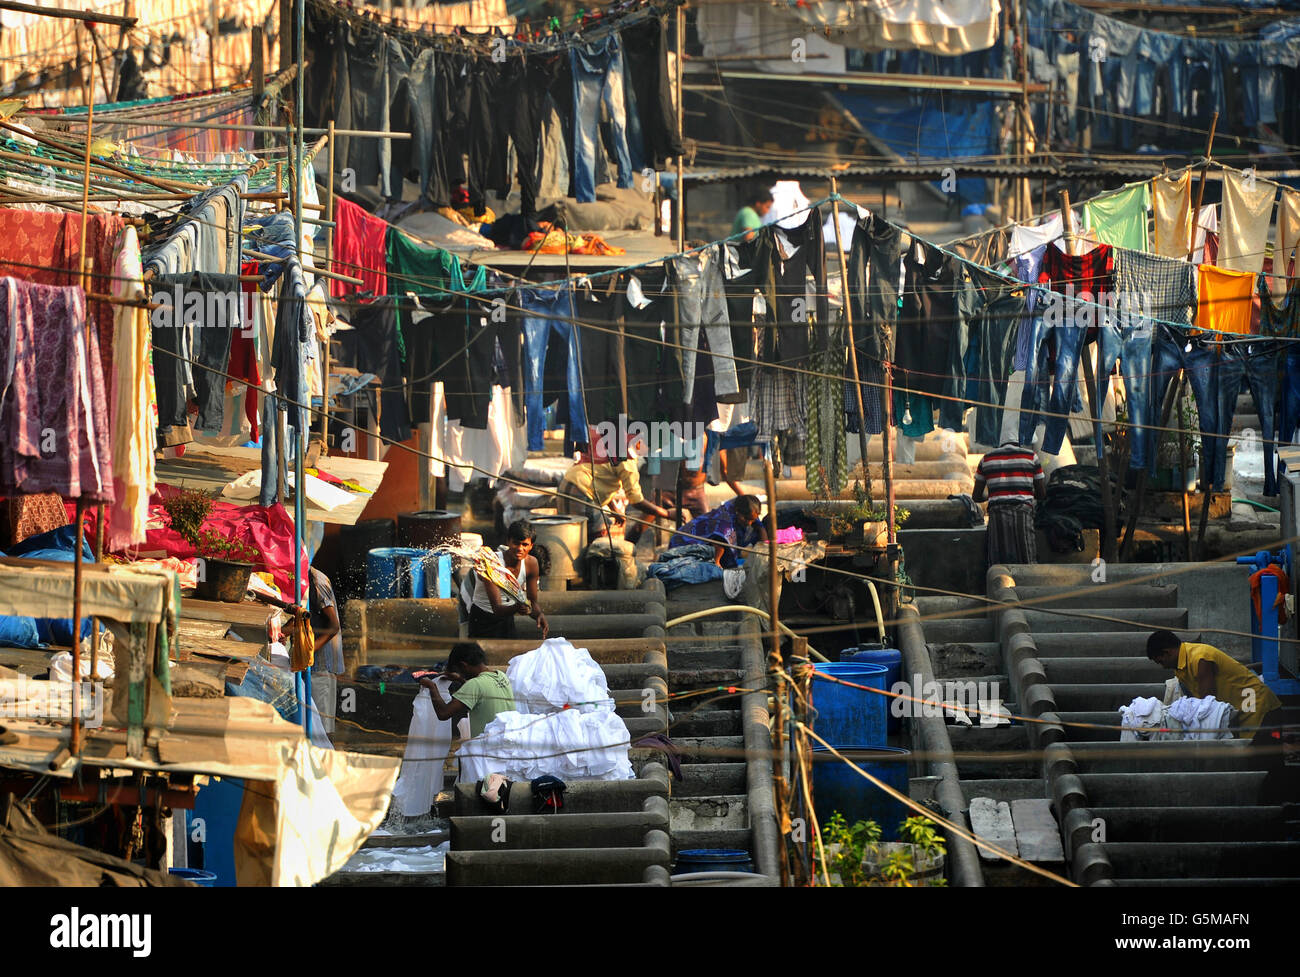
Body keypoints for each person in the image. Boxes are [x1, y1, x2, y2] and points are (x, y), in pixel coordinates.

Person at [1145, 631, 1283, 738]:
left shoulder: (1200, 658)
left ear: (1167, 653)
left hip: (1258, 706)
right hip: (1244, 710)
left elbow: (1208, 704)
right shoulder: (1180, 667)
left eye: (1161, 661)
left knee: (1265, 762)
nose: (1163, 667)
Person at [559, 440, 673, 545]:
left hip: (568, 484)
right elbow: (636, 501)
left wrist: (614, 509)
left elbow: (600, 478)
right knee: (597, 540)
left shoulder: (615, 446)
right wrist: (667, 514)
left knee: (573, 534)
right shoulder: (628, 461)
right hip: (580, 491)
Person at [468, 520, 548, 640]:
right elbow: (497, 608)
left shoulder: (532, 564)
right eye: (516, 543)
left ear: (531, 546)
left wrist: (538, 614)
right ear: (508, 542)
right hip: (482, 618)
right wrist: (519, 607)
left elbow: (532, 602)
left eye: (525, 545)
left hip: (507, 617)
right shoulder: (492, 563)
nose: (520, 549)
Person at [418, 642, 515, 738]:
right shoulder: (501, 675)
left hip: (487, 746)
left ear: (464, 665)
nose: (461, 674)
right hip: (507, 741)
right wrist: (460, 679)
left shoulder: (474, 684)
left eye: (459, 671)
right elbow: (479, 691)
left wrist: (432, 687)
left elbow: (443, 713)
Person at [972, 440, 1045, 565]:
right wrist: (1026, 492)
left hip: (997, 515)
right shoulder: (1031, 457)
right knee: (1027, 560)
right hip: (1023, 514)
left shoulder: (986, 459)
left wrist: (995, 493)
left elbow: (976, 496)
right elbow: (1042, 494)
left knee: (998, 563)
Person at [669, 495, 767, 567]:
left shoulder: (749, 512)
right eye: (746, 519)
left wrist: (765, 552)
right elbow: (719, 542)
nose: (749, 523)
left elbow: (760, 528)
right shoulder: (724, 522)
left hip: (716, 543)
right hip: (685, 541)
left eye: (752, 520)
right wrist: (717, 564)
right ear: (737, 510)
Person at [308, 567, 344, 734]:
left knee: (322, 728)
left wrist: (309, 651)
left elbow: (333, 626)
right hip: (311, 664)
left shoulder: (317, 581)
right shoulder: (302, 578)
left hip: (322, 665)